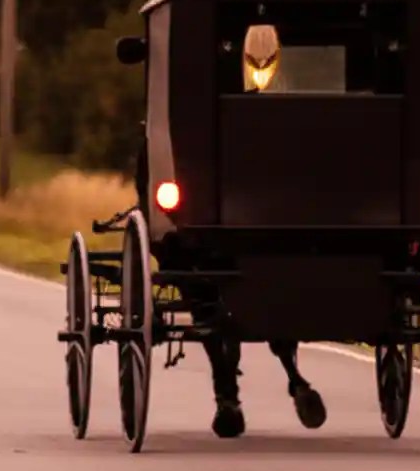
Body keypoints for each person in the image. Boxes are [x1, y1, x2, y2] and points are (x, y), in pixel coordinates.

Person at [132, 140, 326, 438]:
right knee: (261, 295)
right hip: (244, 236)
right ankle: (290, 379)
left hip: (200, 236)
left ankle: (229, 399)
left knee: (206, 309)